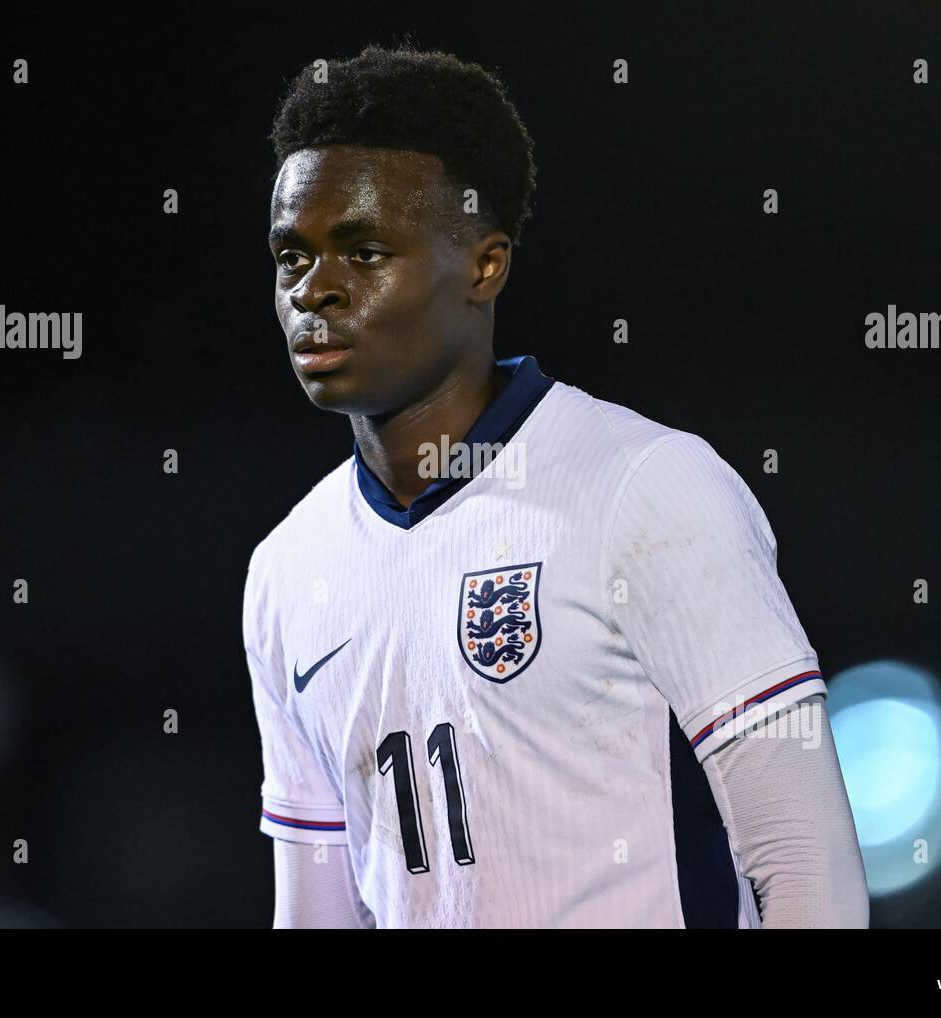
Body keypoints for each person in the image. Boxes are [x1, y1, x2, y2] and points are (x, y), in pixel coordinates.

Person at [244, 43, 869, 928]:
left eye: (365, 250)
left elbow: (808, 866)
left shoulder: (645, 487)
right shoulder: (286, 571)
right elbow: (315, 912)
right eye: (291, 257)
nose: (318, 291)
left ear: (484, 266)